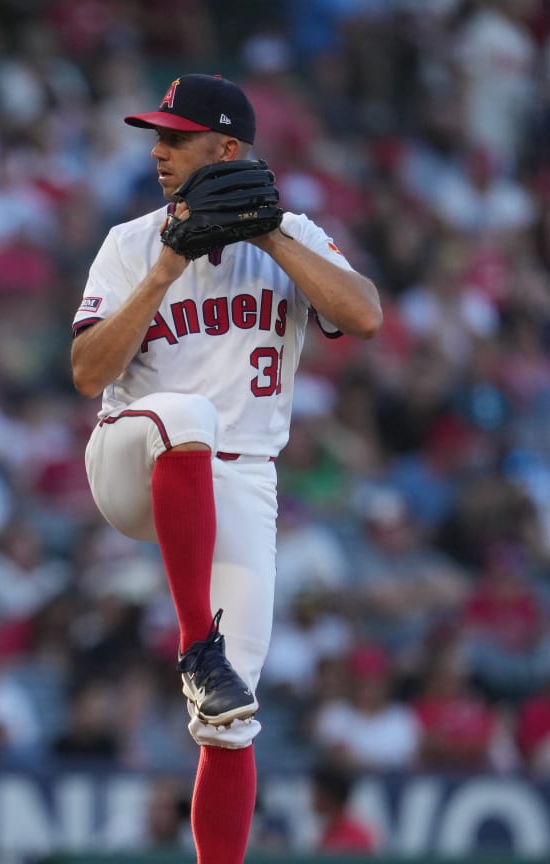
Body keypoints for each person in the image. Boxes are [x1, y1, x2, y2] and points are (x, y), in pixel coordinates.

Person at [70, 73, 381, 862]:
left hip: (240, 478)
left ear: (228, 149)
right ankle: (195, 645)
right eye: (158, 136)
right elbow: (87, 371)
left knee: (230, 721)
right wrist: (165, 269)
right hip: (134, 457)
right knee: (188, 415)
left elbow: (364, 316)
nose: (159, 151)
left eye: (177, 138)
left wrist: (270, 235)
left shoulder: (292, 236)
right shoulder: (131, 243)